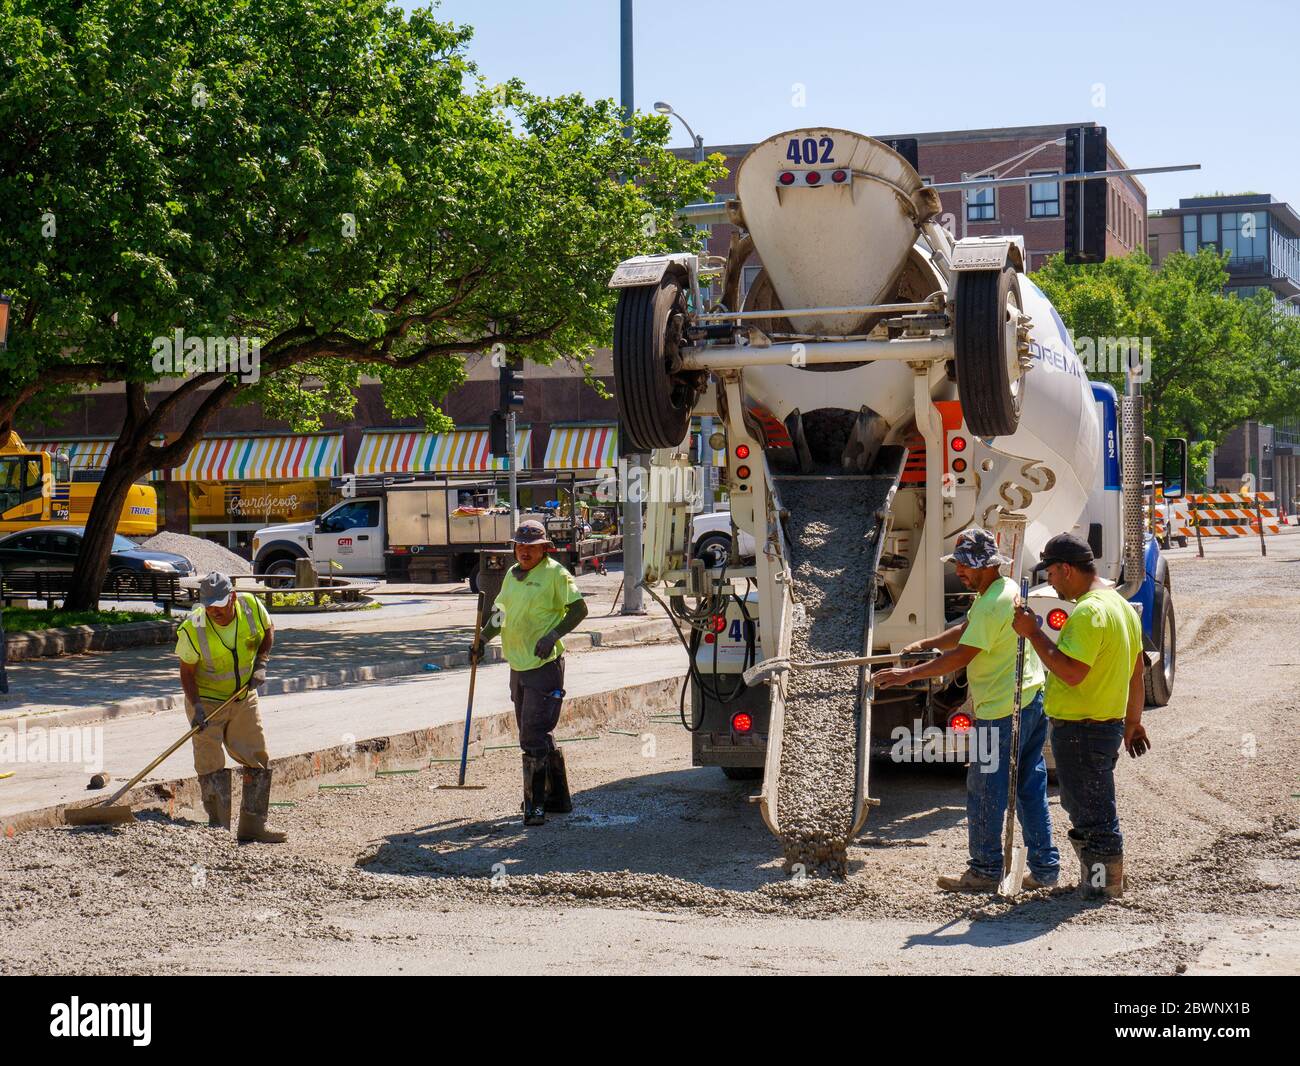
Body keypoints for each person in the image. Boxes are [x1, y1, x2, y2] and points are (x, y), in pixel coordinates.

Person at [876, 527, 1059, 892]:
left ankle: (985, 870)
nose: (959, 571)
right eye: (958, 564)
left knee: (985, 789)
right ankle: (1044, 869)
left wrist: (905, 676)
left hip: (1002, 709)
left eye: (965, 566)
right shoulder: (998, 591)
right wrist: (926, 643)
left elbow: (962, 655)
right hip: (1029, 700)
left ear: (986, 564)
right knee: (1028, 785)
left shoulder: (993, 602)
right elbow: (965, 631)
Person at [1012, 533, 1150, 899]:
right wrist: (1132, 722)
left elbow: (1071, 672)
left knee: (1093, 813)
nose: (1051, 582)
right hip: (1103, 726)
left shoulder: (1089, 612)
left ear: (1066, 569)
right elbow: (1138, 672)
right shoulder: (1120, 606)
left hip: (1082, 730)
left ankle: (1103, 886)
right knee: (1088, 805)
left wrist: (1033, 632)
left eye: (1052, 574)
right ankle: (1101, 880)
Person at [474, 520, 589, 825]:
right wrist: (483, 639)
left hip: (545, 666)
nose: (524, 551)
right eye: (520, 545)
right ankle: (557, 798)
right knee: (535, 733)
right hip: (518, 664)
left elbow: (579, 610)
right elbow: (500, 614)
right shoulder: (512, 576)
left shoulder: (556, 574)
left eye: (531, 547)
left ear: (544, 549)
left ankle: (535, 804)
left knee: (533, 734)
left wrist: (553, 635)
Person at [175, 571, 286, 843]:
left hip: (242, 696)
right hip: (206, 700)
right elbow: (187, 672)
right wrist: (197, 707)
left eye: (219, 605)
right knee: (209, 762)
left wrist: (261, 663)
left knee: (257, 756)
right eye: (209, 606)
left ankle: (253, 826)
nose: (214, 611)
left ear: (232, 598)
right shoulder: (194, 626)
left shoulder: (249, 606)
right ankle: (218, 829)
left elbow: (268, 629)